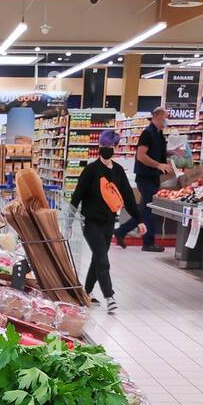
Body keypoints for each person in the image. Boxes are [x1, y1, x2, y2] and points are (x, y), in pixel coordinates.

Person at [70, 128, 142, 314]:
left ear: (115, 147)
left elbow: (127, 196)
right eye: (103, 145)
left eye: (110, 146)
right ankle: (109, 296)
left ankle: (85, 293)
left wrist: (139, 220)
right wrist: (69, 222)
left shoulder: (118, 171)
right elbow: (77, 196)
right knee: (103, 258)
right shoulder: (90, 170)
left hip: (109, 222)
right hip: (90, 222)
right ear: (99, 146)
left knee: (97, 257)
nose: (106, 149)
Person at [116, 106, 175, 252]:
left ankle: (121, 231)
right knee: (149, 209)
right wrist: (158, 165)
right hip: (145, 177)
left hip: (153, 176)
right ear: (158, 117)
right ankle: (148, 243)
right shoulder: (147, 134)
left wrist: (173, 152)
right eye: (165, 118)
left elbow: (157, 151)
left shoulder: (159, 134)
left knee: (144, 210)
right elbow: (141, 156)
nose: (166, 121)